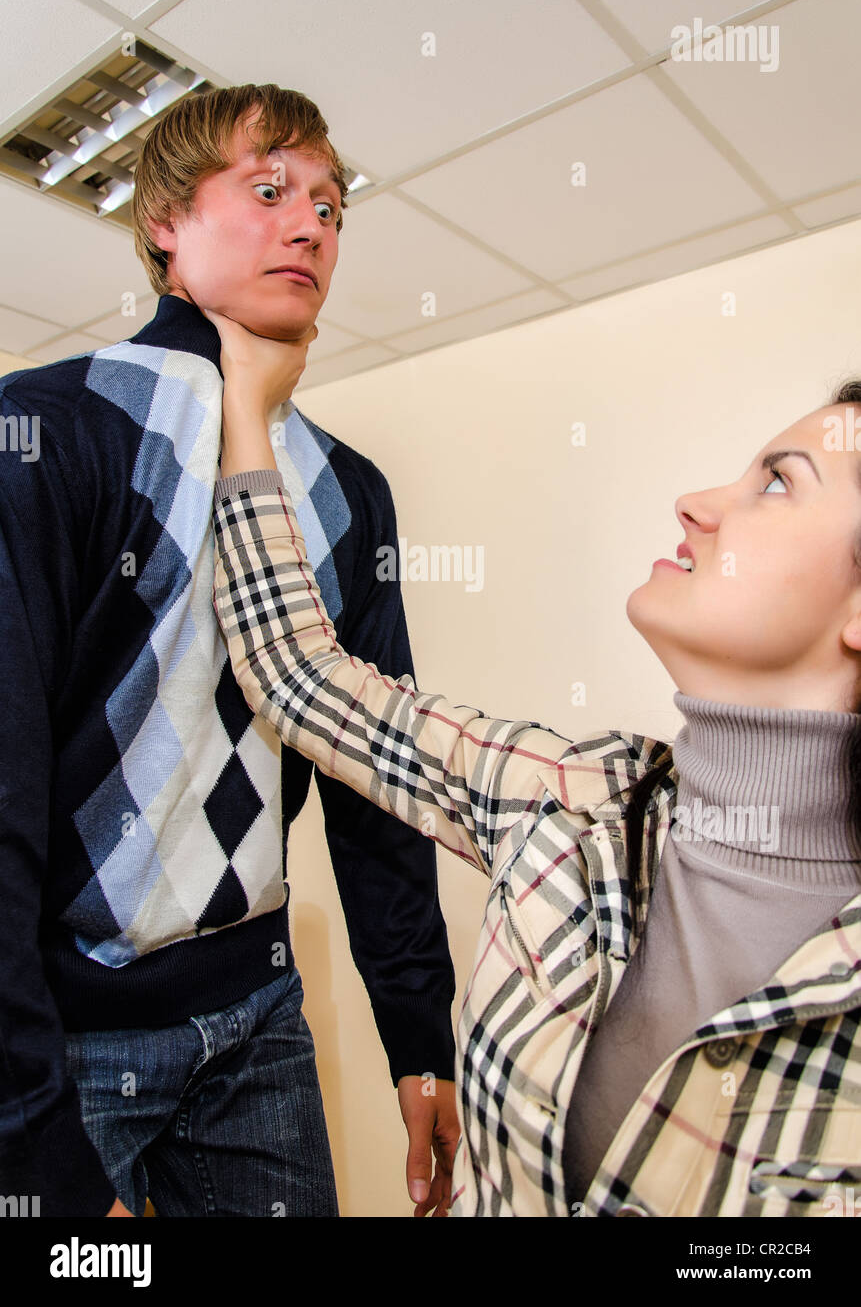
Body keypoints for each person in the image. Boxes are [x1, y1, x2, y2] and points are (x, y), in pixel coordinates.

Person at [205, 309, 861, 1217]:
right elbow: (300, 676)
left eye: (779, 485)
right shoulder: (572, 797)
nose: (698, 502)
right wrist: (246, 403)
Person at [0, 83, 459, 1219]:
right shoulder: (48, 431)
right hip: (66, 1040)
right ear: (163, 221)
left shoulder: (350, 493)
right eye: (268, 190)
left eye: (331, 206)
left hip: (256, 1020)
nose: (310, 224)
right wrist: (28, 1132)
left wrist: (418, 1030)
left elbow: (373, 780)